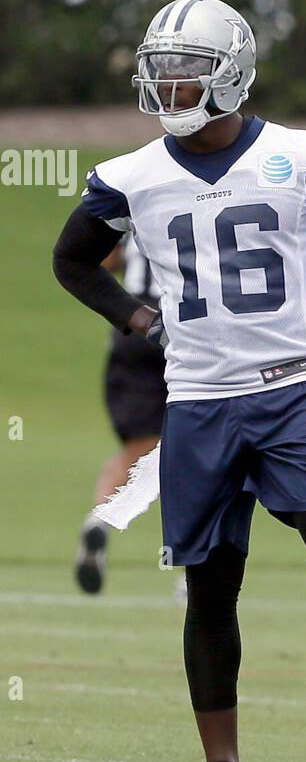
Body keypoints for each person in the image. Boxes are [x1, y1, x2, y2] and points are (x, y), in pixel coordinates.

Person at [53, 0, 306, 762]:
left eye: (187, 75)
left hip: (294, 387)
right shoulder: (130, 176)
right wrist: (139, 320)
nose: (171, 90)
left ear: (232, 77)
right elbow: (72, 262)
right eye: (161, 74)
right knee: (212, 580)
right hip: (197, 399)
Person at [74, 235, 166, 594]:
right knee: (202, 449)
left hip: (135, 327)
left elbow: (101, 260)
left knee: (137, 447)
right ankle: (196, 566)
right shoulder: (200, 192)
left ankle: (99, 521)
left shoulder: (129, 197)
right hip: (188, 330)